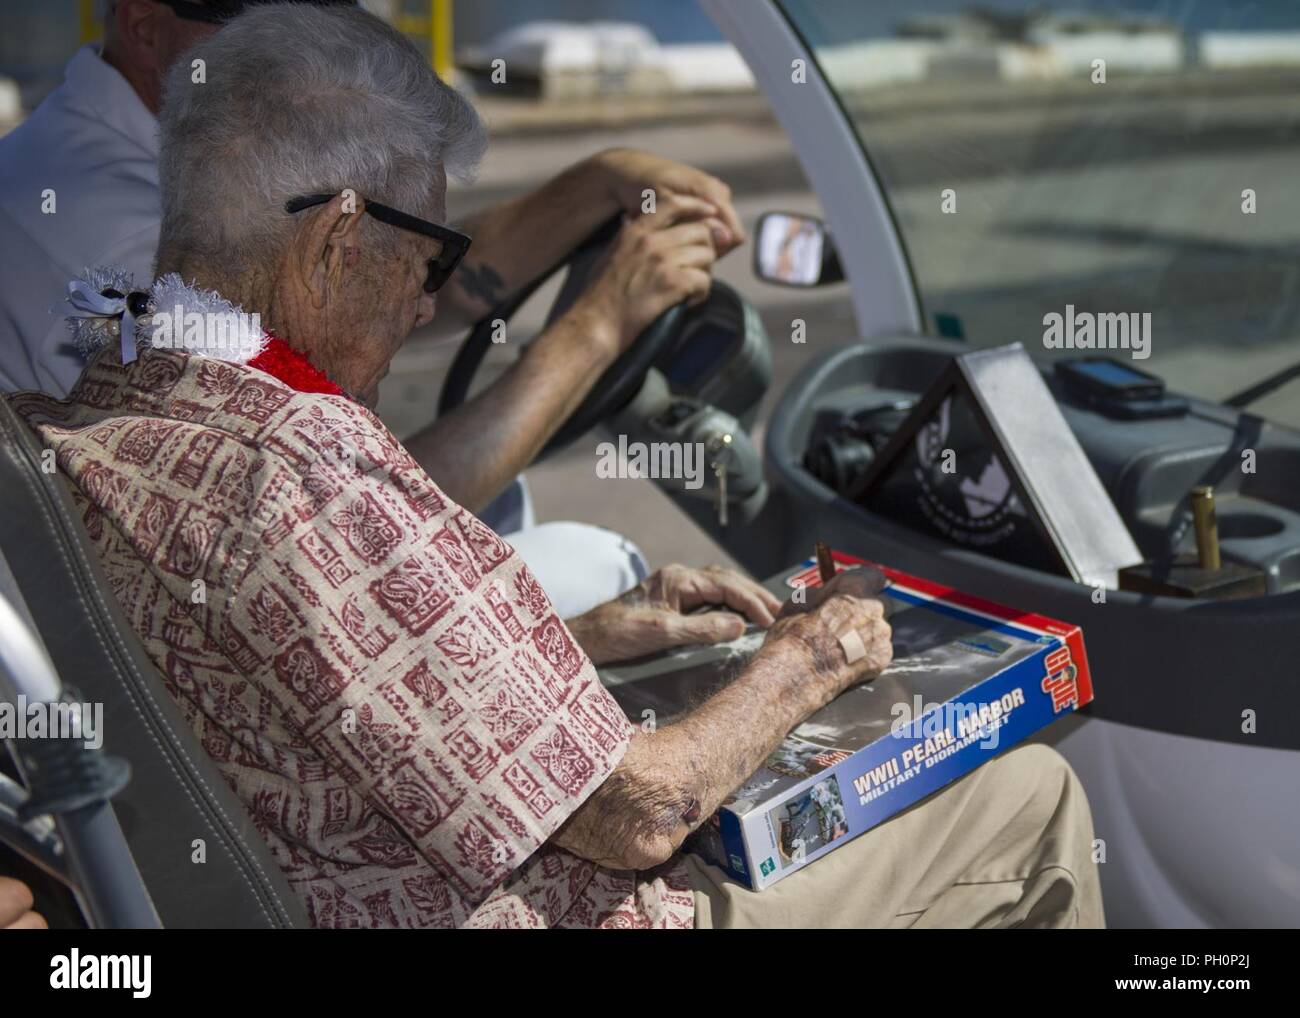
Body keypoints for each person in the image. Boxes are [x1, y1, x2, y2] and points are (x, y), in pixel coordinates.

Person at [8, 4, 1103, 929]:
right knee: (1027, 794)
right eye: (428, 255)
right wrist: (817, 657)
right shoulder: (314, 470)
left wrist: (575, 639)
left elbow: (304, 671)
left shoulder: (106, 405)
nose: (429, 299)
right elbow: (643, 812)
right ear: (340, 242)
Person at [0, 0, 747, 618]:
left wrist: (588, 187)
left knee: (508, 503)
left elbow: (394, 270)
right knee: (599, 560)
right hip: (211, 619)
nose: (304, 30)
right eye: (264, 9)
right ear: (142, 22)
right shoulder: (108, 236)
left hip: (218, 578)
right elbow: (341, 527)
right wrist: (599, 328)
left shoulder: (142, 148)